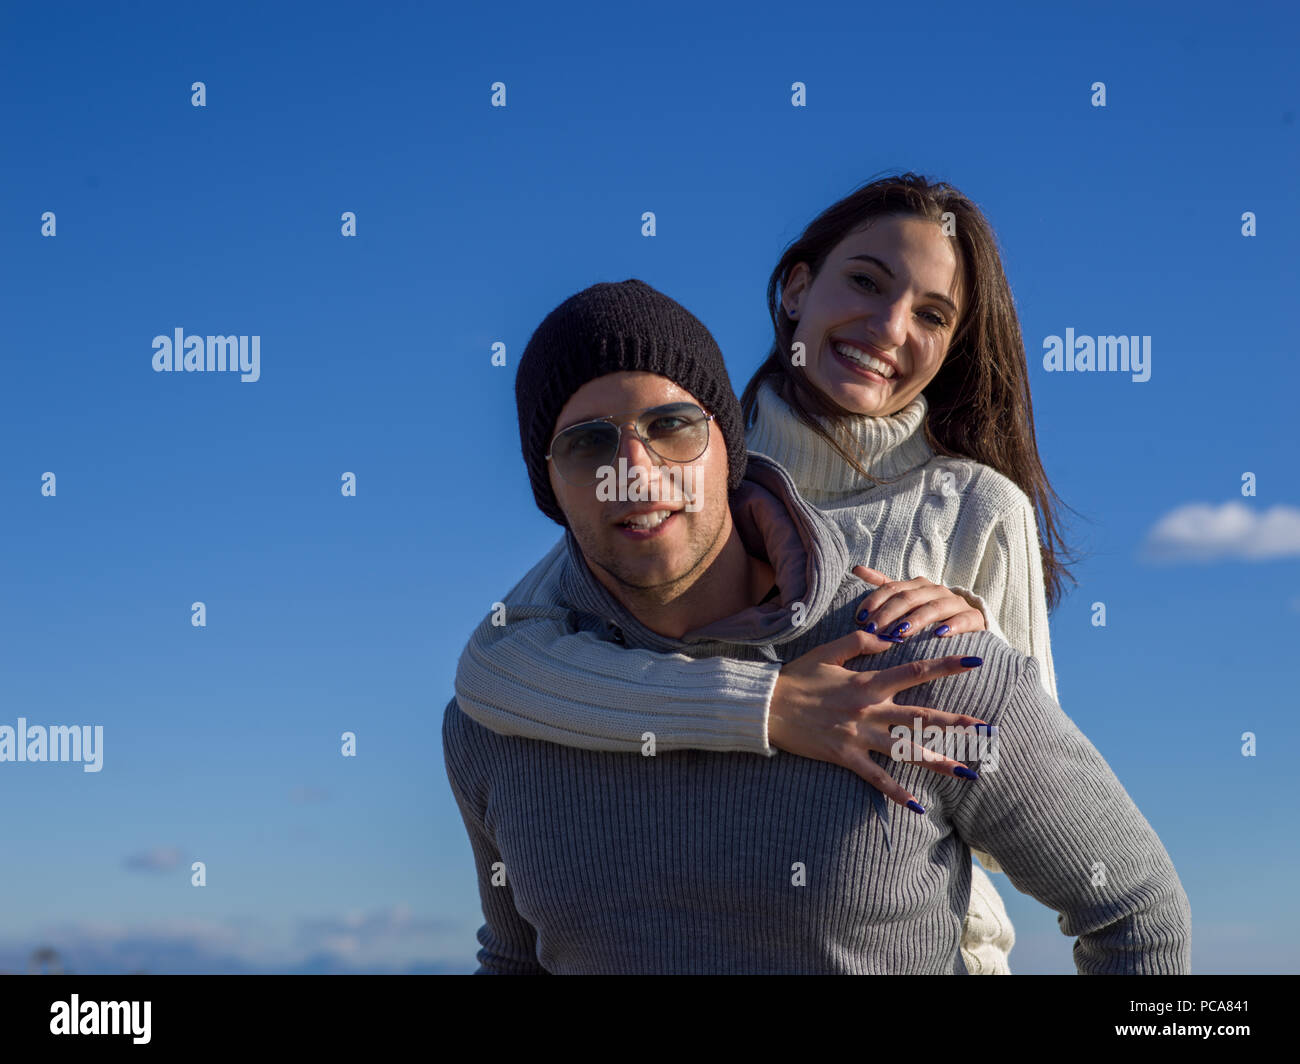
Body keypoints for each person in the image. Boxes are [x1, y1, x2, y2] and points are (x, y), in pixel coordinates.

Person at [441, 280, 1191, 974]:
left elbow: (1137, 915)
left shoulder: (925, 668)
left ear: (728, 448)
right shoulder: (497, 724)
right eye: (587, 444)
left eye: (671, 426)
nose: (634, 471)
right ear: (551, 487)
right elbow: (515, 960)